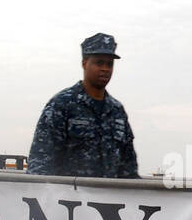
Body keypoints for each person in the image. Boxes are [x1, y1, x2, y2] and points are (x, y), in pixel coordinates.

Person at [28, 33, 139, 178]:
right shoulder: (62, 105)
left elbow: (128, 170)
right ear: (84, 63)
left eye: (109, 64)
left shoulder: (117, 112)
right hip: (68, 198)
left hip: (108, 199)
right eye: (99, 63)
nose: (105, 69)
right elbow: (40, 164)